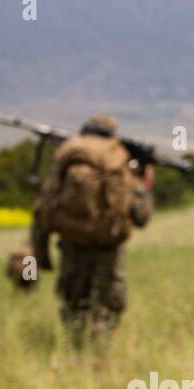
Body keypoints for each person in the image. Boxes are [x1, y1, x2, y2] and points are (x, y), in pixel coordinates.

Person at [32, 114, 153, 349]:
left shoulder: (69, 155)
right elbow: (142, 217)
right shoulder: (118, 159)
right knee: (106, 311)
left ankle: (73, 356)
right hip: (108, 248)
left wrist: (39, 251)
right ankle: (98, 364)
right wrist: (144, 186)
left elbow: (44, 205)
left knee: (73, 306)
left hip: (71, 243)